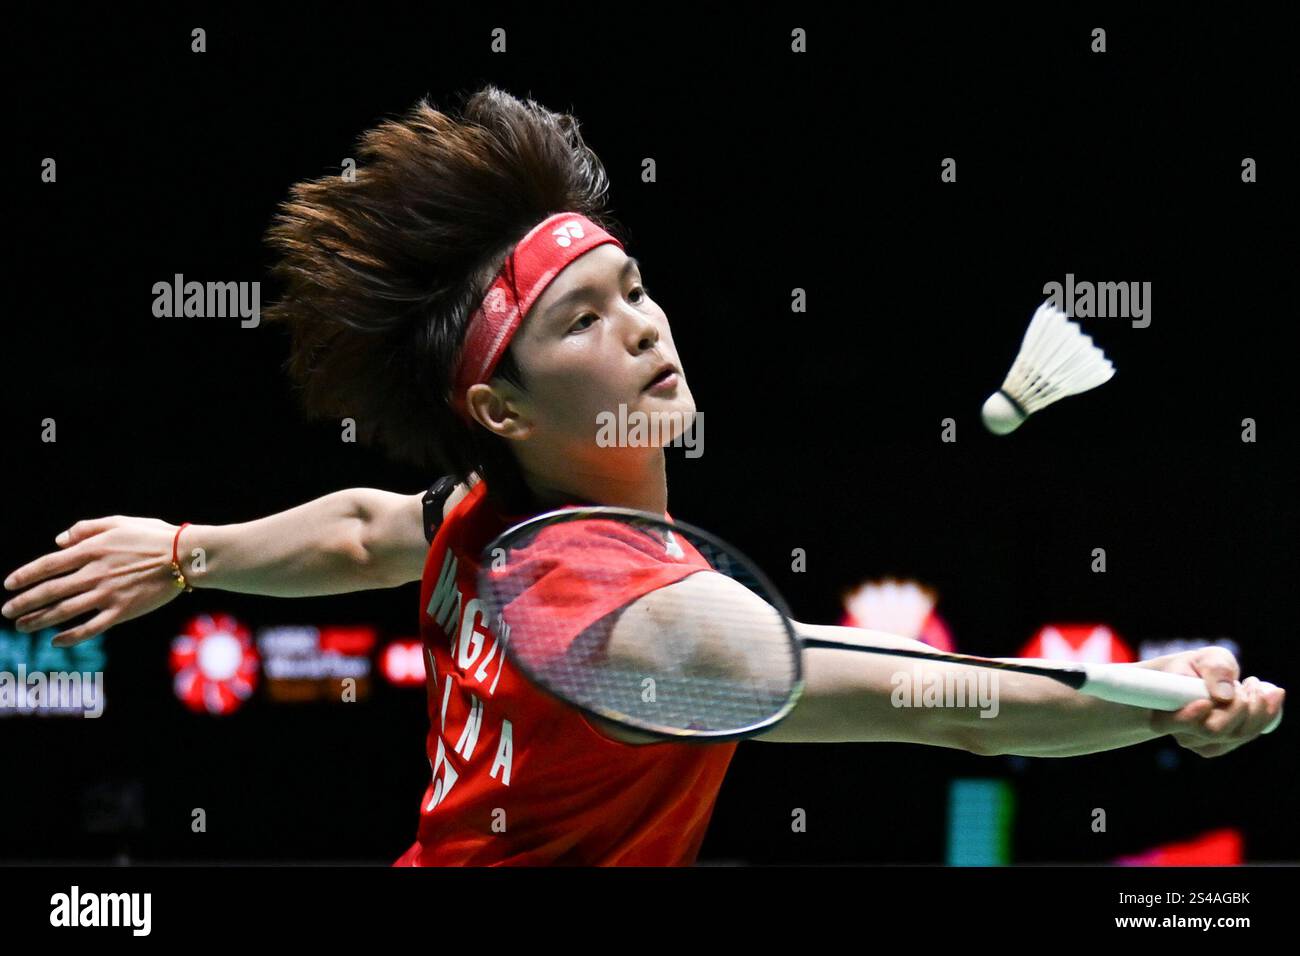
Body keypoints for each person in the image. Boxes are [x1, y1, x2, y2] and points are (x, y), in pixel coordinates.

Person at [2, 86, 1284, 865]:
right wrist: (1154, 700)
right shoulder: (634, 619)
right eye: (581, 319)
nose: (644, 326)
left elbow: (360, 529)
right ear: (499, 405)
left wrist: (186, 551)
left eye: (632, 286)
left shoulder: (489, 515)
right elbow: (941, 701)